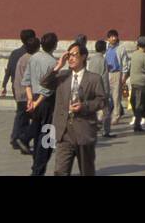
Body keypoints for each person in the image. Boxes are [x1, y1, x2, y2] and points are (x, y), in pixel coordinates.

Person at [41, 42, 107, 176]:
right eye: (68, 55)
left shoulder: (94, 78)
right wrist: (58, 66)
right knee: (60, 171)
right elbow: (44, 83)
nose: (70, 58)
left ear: (83, 56)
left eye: (74, 55)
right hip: (64, 131)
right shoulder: (62, 76)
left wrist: (84, 106)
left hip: (84, 131)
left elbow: (101, 101)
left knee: (86, 171)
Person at [24, 32, 59, 176]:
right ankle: (38, 170)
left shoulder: (33, 58)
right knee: (47, 140)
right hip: (47, 103)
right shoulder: (53, 63)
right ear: (54, 45)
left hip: (34, 100)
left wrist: (30, 100)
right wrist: (37, 102)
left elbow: (26, 81)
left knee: (38, 136)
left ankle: (36, 167)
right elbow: (47, 89)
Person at [4, 29, 37, 152]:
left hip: (17, 88)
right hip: (28, 91)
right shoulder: (31, 57)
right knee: (29, 116)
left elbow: (9, 70)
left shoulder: (15, 53)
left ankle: (18, 138)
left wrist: (4, 85)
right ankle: (21, 138)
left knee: (21, 115)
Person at [125, 35, 145, 132]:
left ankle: (136, 121)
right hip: (142, 82)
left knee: (133, 101)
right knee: (139, 104)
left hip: (133, 81)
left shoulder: (134, 54)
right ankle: (137, 125)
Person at [88, 39, 114, 138]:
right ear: (104, 49)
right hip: (101, 88)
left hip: (92, 87)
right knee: (106, 111)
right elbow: (104, 77)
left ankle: (92, 128)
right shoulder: (103, 60)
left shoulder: (91, 59)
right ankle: (106, 131)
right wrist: (107, 91)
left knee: (92, 110)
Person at [104, 29, 124, 128]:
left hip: (116, 73)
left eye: (115, 36)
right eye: (111, 37)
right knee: (106, 95)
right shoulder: (106, 48)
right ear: (108, 38)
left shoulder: (120, 48)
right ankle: (106, 115)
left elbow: (125, 63)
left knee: (116, 96)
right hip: (107, 74)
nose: (113, 38)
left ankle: (116, 116)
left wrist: (124, 76)